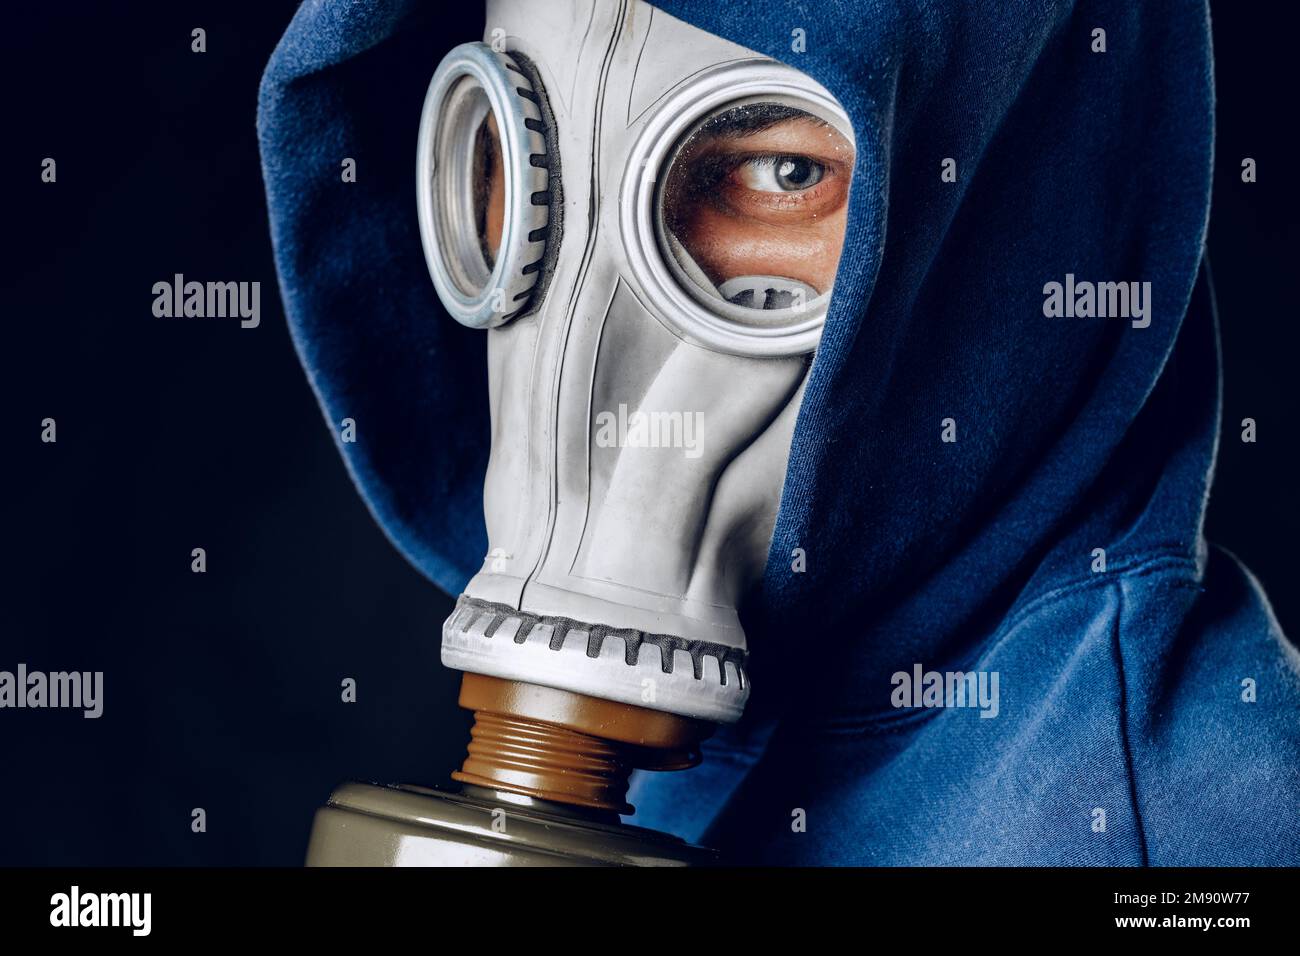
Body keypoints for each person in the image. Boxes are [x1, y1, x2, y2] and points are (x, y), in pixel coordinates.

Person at [258, 0, 1300, 865]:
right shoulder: (753, 706)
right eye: (517, 153)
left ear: (1005, 188)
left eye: (779, 172)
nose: (584, 368)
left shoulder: (1167, 839)